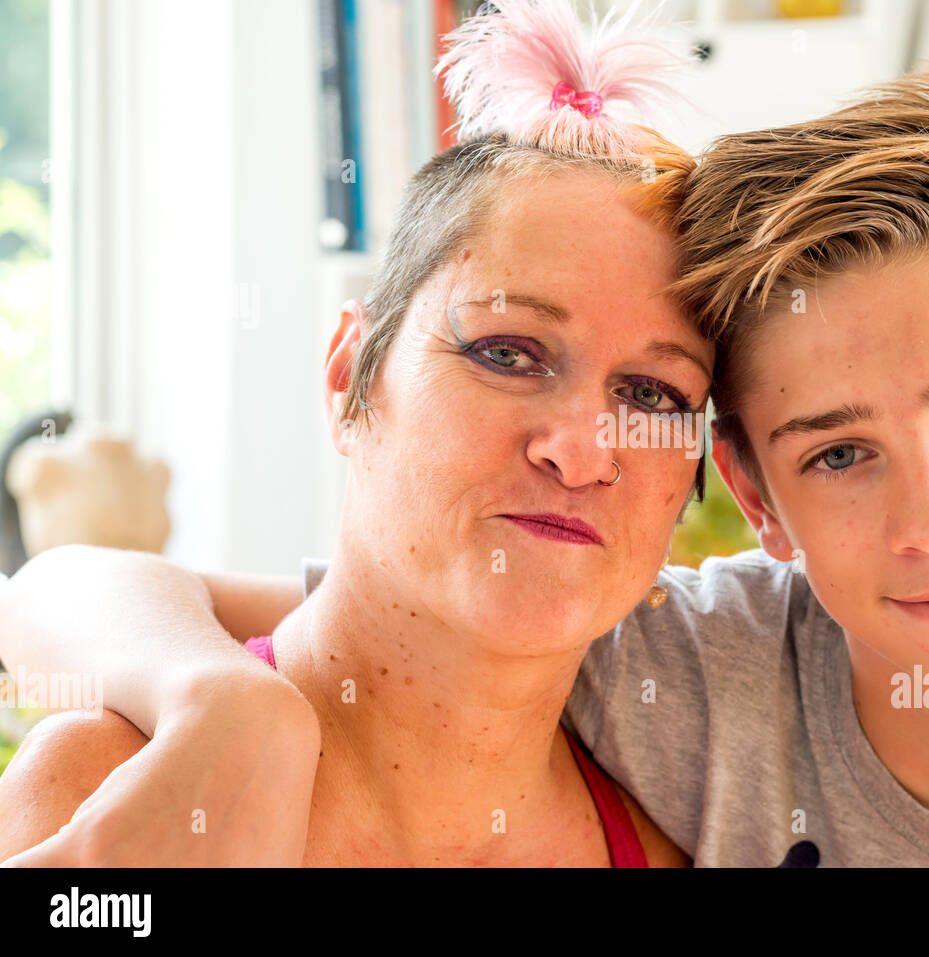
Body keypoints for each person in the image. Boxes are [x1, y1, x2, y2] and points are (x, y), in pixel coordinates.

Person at [4, 56, 929, 867]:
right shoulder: (678, 675)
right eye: (841, 450)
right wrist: (227, 704)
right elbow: (66, 593)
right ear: (756, 497)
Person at [0, 0, 709, 867]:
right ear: (349, 376)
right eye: (508, 352)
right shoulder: (110, 801)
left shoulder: (672, 846)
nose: (583, 447)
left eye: (653, 394)